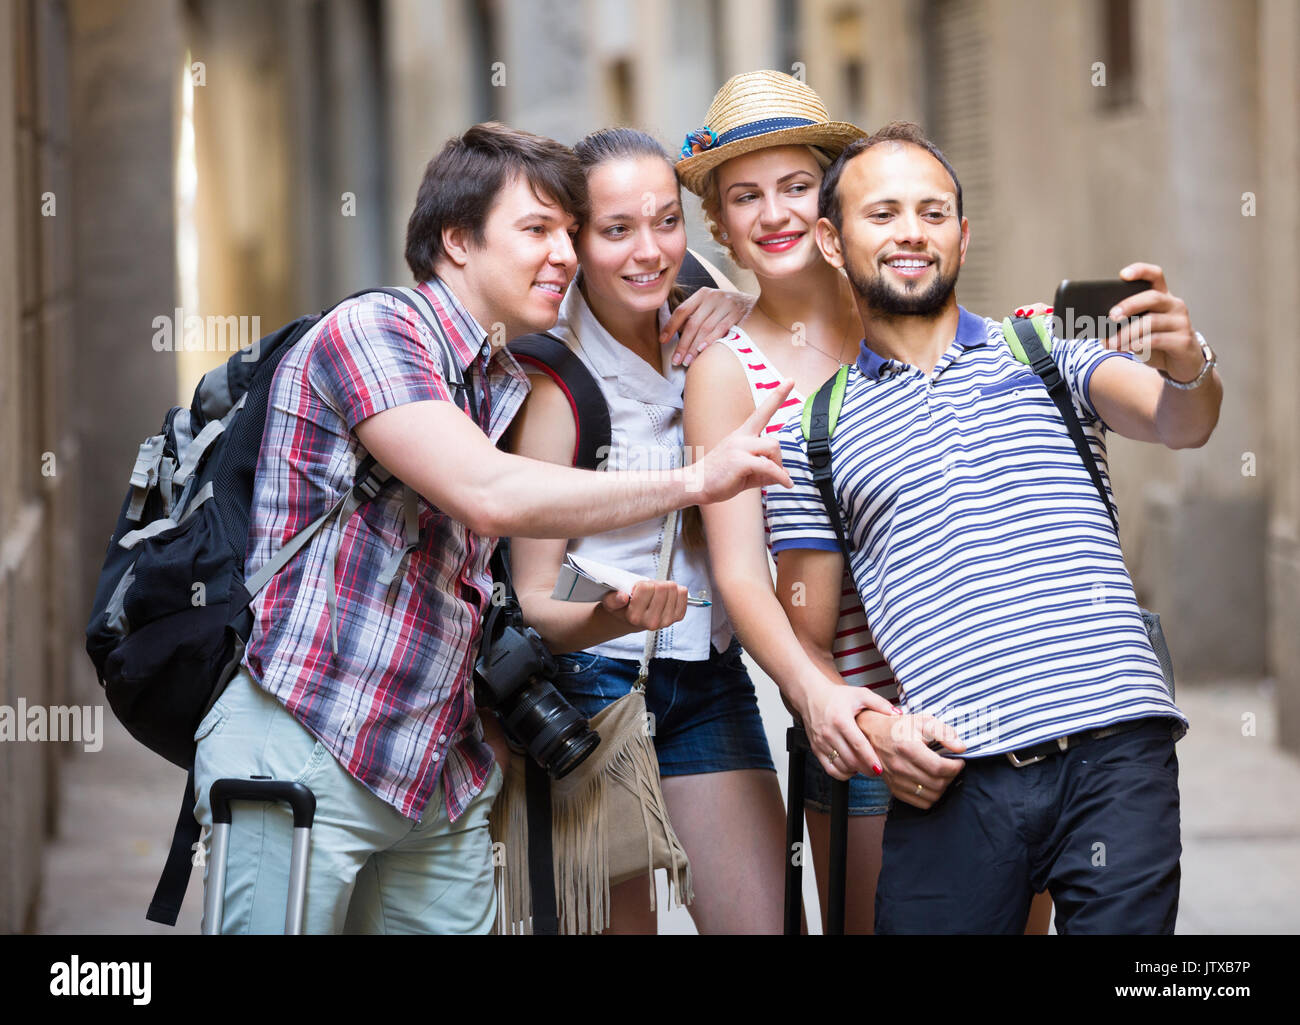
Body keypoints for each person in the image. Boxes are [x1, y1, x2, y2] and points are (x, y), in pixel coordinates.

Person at [189, 122, 793, 934]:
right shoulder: (375, 332)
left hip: (434, 770)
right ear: (457, 241)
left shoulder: (495, 376)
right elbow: (487, 493)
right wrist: (694, 477)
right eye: (538, 231)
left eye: (565, 232)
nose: (565, 255)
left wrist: (731, 295)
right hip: (307, 738)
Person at [767, 120, 1219, 934]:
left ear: (963, 236)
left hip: (1115, 749)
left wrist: (1189, 363)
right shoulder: (812, 434)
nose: (912, 232)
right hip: (952, 775)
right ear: (832, 242)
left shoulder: (1048, 344)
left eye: (934, 213)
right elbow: (805, 636)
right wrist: (875, 725)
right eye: (885, 214)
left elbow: (1180, 421)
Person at [680, 69, 1051, 933]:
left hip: (1006, 709)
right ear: (723, 226)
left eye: (795, 186)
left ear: (834, 208)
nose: (771, 214)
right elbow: (741, 575)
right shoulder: (726, 369)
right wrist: (824, 702)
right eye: (744, 196)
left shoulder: (917, 297)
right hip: (865, 720)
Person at [505, 127, 788, 934]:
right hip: (592, 687)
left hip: (708, 679)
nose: (649, 251)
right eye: (617, 229)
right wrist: (613, 609)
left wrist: (746, 303)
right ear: (575, 239)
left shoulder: (710, 325)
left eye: (667, 222)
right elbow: (534, 595)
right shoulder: (554, 379)